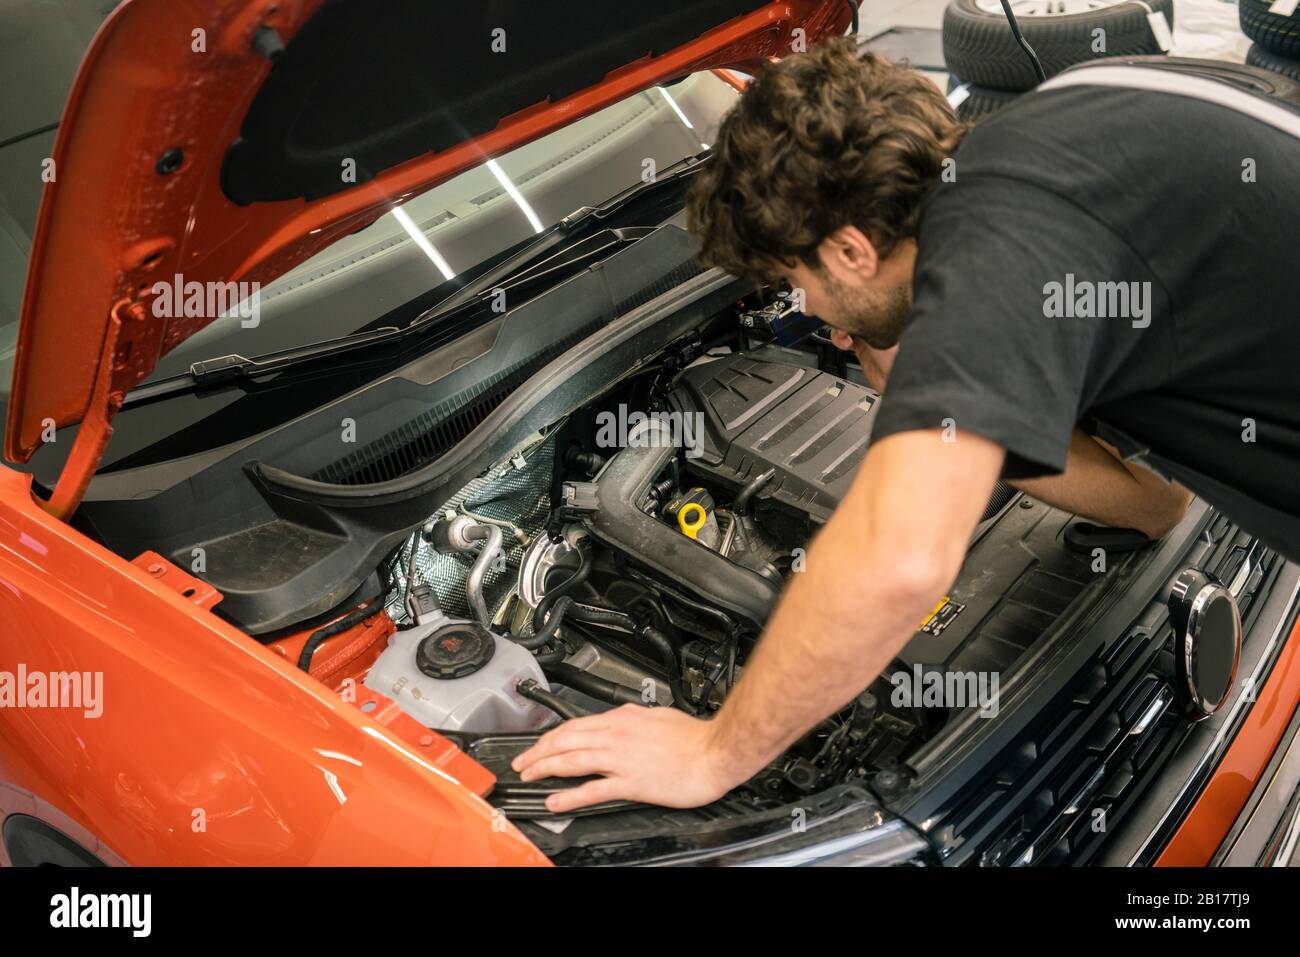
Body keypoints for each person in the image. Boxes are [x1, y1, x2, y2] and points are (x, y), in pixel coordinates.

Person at [512, 38, 1300, 811]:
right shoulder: (1054, 127)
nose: (810, 314)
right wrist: (967, 427)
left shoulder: (999, 260)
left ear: (852, 249)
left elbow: (898, 560)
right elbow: (1162, 504)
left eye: (795, 280)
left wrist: (711, 753)